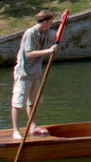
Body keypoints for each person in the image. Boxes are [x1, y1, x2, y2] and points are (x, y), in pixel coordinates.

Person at [10, 10, 59, 139]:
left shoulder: (45, 32)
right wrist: (48, 51)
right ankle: (15, 130)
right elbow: (28, 53)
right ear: (45, 21)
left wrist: (65, 19)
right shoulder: (30, 33)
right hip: (24, 73)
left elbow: (58, 35)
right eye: (50, 22)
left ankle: (33, 126)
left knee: (33, 101)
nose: (51, 25)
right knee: (18, 102)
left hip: (35, 74)